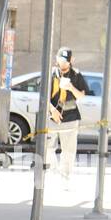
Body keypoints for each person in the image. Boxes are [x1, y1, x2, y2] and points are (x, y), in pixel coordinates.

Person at [46, 48, 87, 180]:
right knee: (47, 148)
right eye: (60, 60)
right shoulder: (51, 73)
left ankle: (65, 176)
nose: (63, 63)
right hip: (52, 117)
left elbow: (81, 96)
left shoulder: (76, 75)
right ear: (56, 59)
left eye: (65, 61)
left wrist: (71, 88)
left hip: (70, 117)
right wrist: (52, 110)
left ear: (71, 61)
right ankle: (52, 173)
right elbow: (43, 96)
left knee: (68, 151)